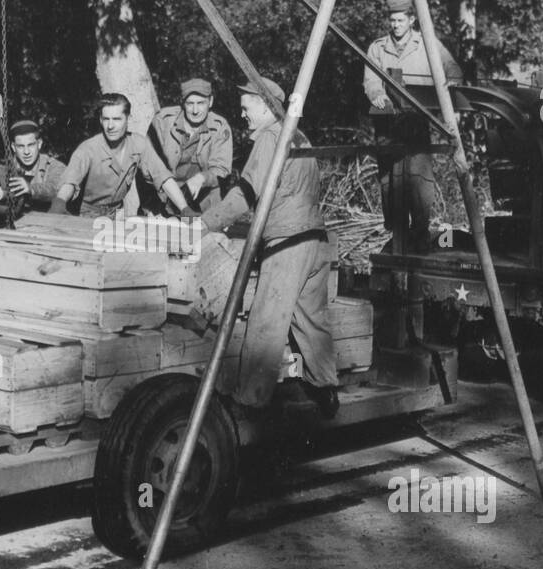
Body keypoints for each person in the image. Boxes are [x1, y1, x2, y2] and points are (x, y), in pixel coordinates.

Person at [199, 78, 339, 419]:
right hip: (315, 240)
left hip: (287, 243)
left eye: (246, 107)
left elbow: (245, 194)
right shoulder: (300, 136)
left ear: (265, 106)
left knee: (267, 321)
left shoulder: (270, 137)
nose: (242, 114)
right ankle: (326, 390)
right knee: (311, 320)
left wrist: (204, 224)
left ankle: (249, 401)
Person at [362, 0, 465, 253]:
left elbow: (452, 67)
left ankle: (420, 236)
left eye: (400, 20)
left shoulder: (427, 44)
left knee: (419, 181)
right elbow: (370, 80)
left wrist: (453, 82)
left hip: (417, 124)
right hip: (388, 126)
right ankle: (398, 239)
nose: (395, 25)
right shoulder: (377, 48)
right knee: (390, 183)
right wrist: (377, 94)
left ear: (411, 20)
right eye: (392, 20)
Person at [49, 93, 191, 218]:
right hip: (83, 215)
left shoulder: (138, 144)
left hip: (115, 215)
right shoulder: (88, 149)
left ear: (128, 118)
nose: (110, 126)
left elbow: (163, 177)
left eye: (117, 119)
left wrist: (184, 208)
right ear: (100, 120)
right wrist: (60, 202)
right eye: (106, 119)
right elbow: (70, 181)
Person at [149, 78, 233, 212]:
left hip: (202, 198)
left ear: (210, 101)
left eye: (201, 103)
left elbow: (221, 169)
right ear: (183, 103)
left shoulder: (219, 127)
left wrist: (201, 178)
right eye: (190, 103)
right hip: (164, 195)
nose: (195, 110)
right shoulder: (163, 121)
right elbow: (149, 164)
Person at [4, 119, 67, 211]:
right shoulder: (7, 168)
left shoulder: (55, 166)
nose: (26, 152)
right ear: (13, 147)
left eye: (31, 145)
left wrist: (31, 189)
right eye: (21, 146)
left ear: (39, 144)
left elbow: (55, 189)